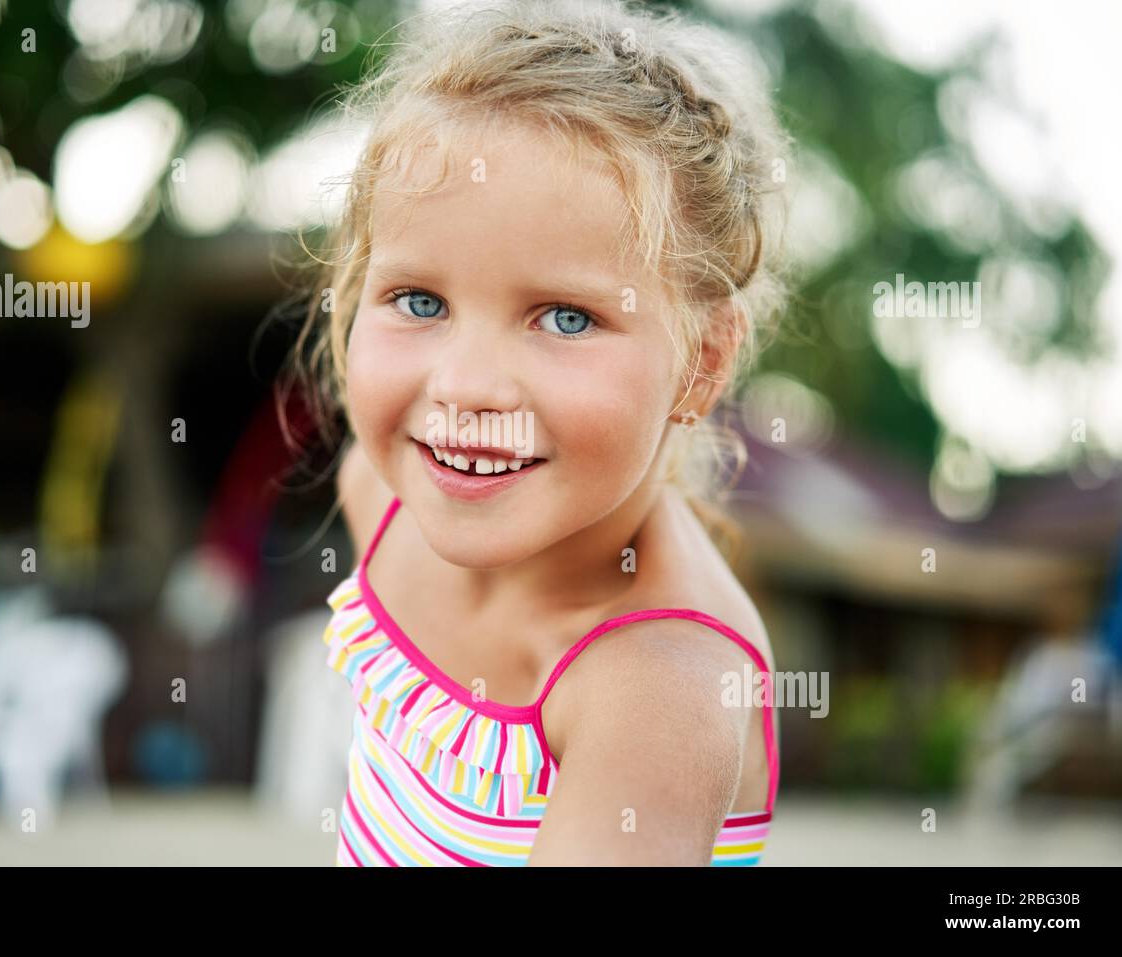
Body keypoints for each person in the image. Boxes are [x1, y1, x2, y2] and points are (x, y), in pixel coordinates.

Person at [282, 0, 791, 866]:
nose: (468, 386)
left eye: (563, 317)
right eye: (418, 301)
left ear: (702, 363)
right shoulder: (381, 494)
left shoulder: (658, 686)